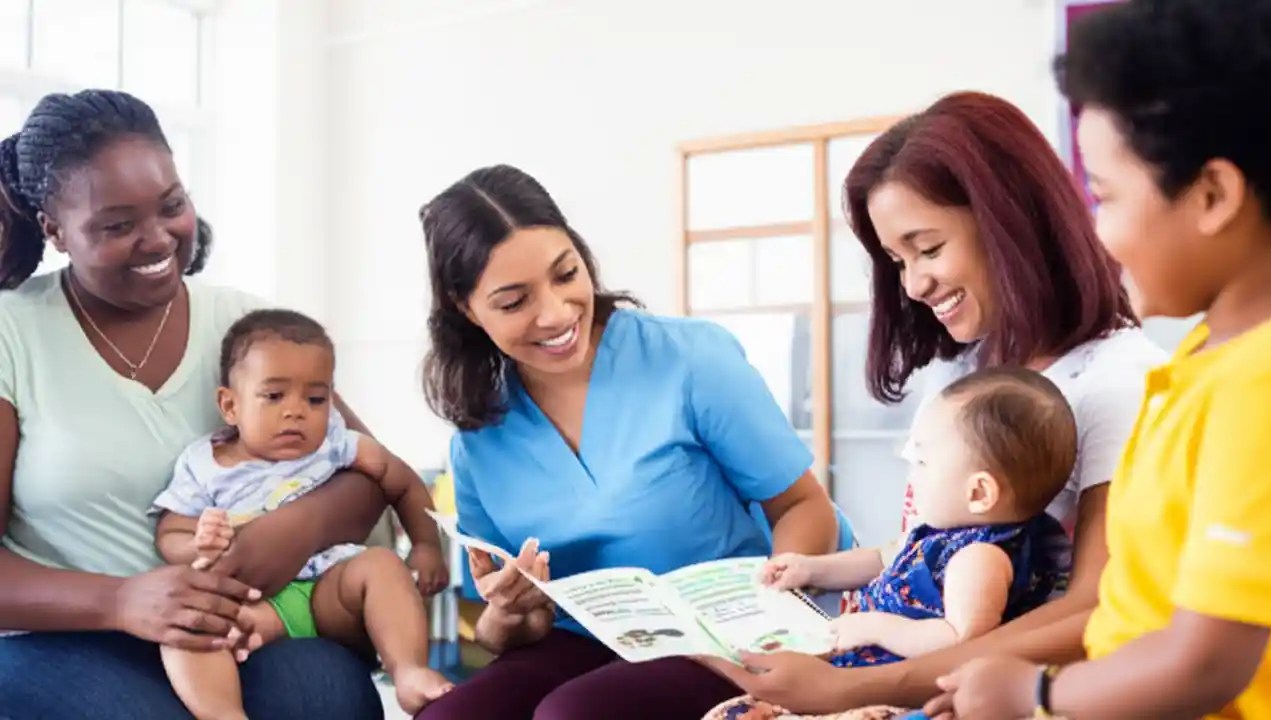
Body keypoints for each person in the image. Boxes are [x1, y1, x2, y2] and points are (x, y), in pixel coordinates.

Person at [700, 90, 1167, 714]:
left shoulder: (1117, 382)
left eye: (929, 248)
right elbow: (915, 554)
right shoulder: (969, 375)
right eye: (897, 260)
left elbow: (1094, 609)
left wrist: (848, 689)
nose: (914, 284)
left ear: (1010, 223)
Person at [932, 1, 1271, 717]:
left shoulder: (1262, 384)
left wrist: (1034, 694)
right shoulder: (1204, 353)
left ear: (1213, 195)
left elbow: (1205, 663)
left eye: (1106, 197)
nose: (1098, 231)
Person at [0, 90, 387, 718]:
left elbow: (369, 471)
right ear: (55, 230)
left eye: (171, 206)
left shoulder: (242, 323)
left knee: (326, 693)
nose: (157, 241)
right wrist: (121, 602)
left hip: (240, 625)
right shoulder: (11, 334)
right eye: (118, 225)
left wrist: (295, 528)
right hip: (68, 637)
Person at [412, 164, 842, 720]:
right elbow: (503, 632)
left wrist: (767, 615)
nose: (557, 313)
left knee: (574, 715)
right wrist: (511, 613)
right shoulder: (478, 438)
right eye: (515, 302)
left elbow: (806, 506)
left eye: (565, 274)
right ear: (465, 309)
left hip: (722, 631)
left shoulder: (690, 361)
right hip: (586, 639)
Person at [706, 367, 1074, 719]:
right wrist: (810, 568)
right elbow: (883, 560)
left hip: (897, 695)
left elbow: (961, 641)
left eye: (923, 461)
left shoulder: (979, 557)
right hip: (859, 670)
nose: (910, 471)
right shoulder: (944, 532)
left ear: (979, 492)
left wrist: (876, 627)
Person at [150, 309, 453, 719]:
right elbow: (170, 532)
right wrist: (200, 544)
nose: (296, 411)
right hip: (257, 606)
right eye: (274, 397)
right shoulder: (205, 464)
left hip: (330, 591)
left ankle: (408, 670)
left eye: (315, 399)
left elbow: (401, 480)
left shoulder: (336, 443)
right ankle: (223, 714)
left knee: (381, 565)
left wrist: (425, 544)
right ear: (230, 405)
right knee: (185, 625)